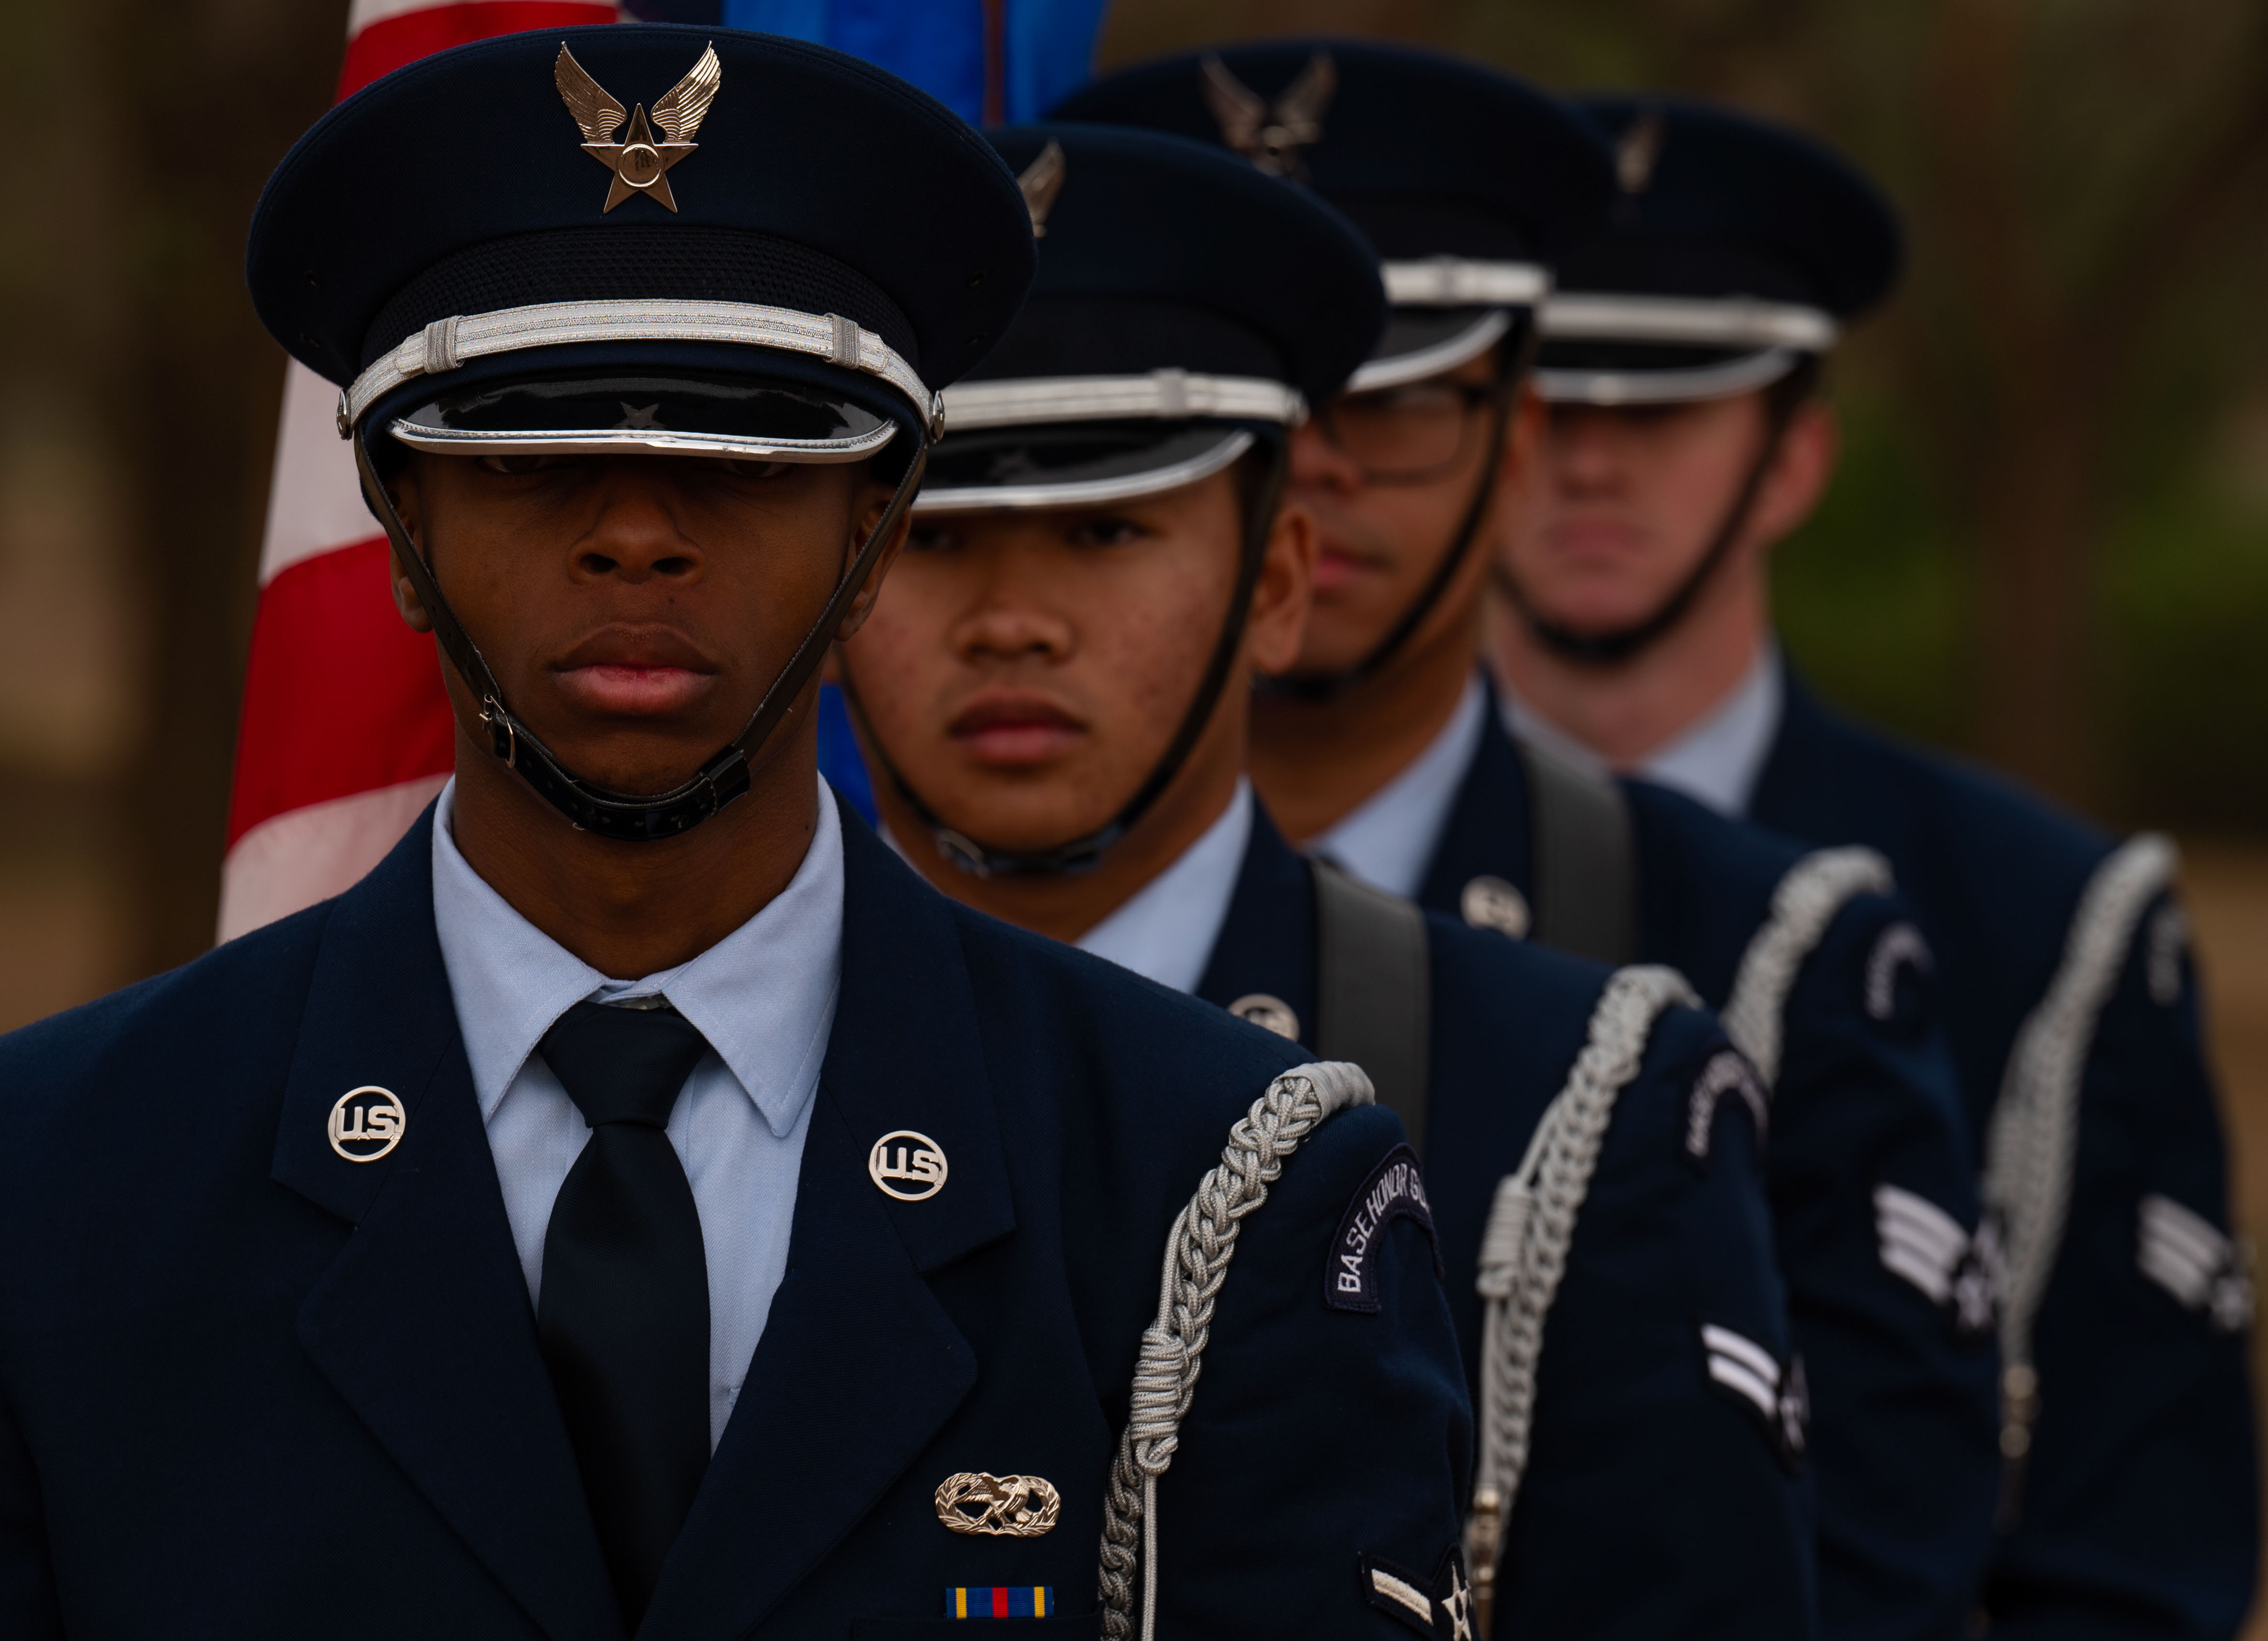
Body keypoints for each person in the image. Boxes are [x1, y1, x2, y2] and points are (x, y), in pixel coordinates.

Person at [0, 29, 1476, 1640]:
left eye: (743, 462)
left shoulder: (1215, 1190)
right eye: (532, 460)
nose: (634, 535)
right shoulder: (38, 1195)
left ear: (876, 533)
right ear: (398, 527)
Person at [1059, 43, 2002, 1641]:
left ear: (1516, 428)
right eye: (1244, 408)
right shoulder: (933, 956)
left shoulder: (1764, 959)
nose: (1321, 460)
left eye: (1399, 392)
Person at [833, 117, 1815, 1641]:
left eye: (1105, 529)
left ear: (1277, 584)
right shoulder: (684, 1069)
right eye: (938, 532)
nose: (1012, 620)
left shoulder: (1588, 1097)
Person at [1487, 94, 2259, 1639]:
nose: (1585, 465)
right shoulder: (1306, 853)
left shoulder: (2045, 918)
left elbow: (2133, 1566)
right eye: (1537, 406)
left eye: (1660, 410)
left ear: (1793, 459)